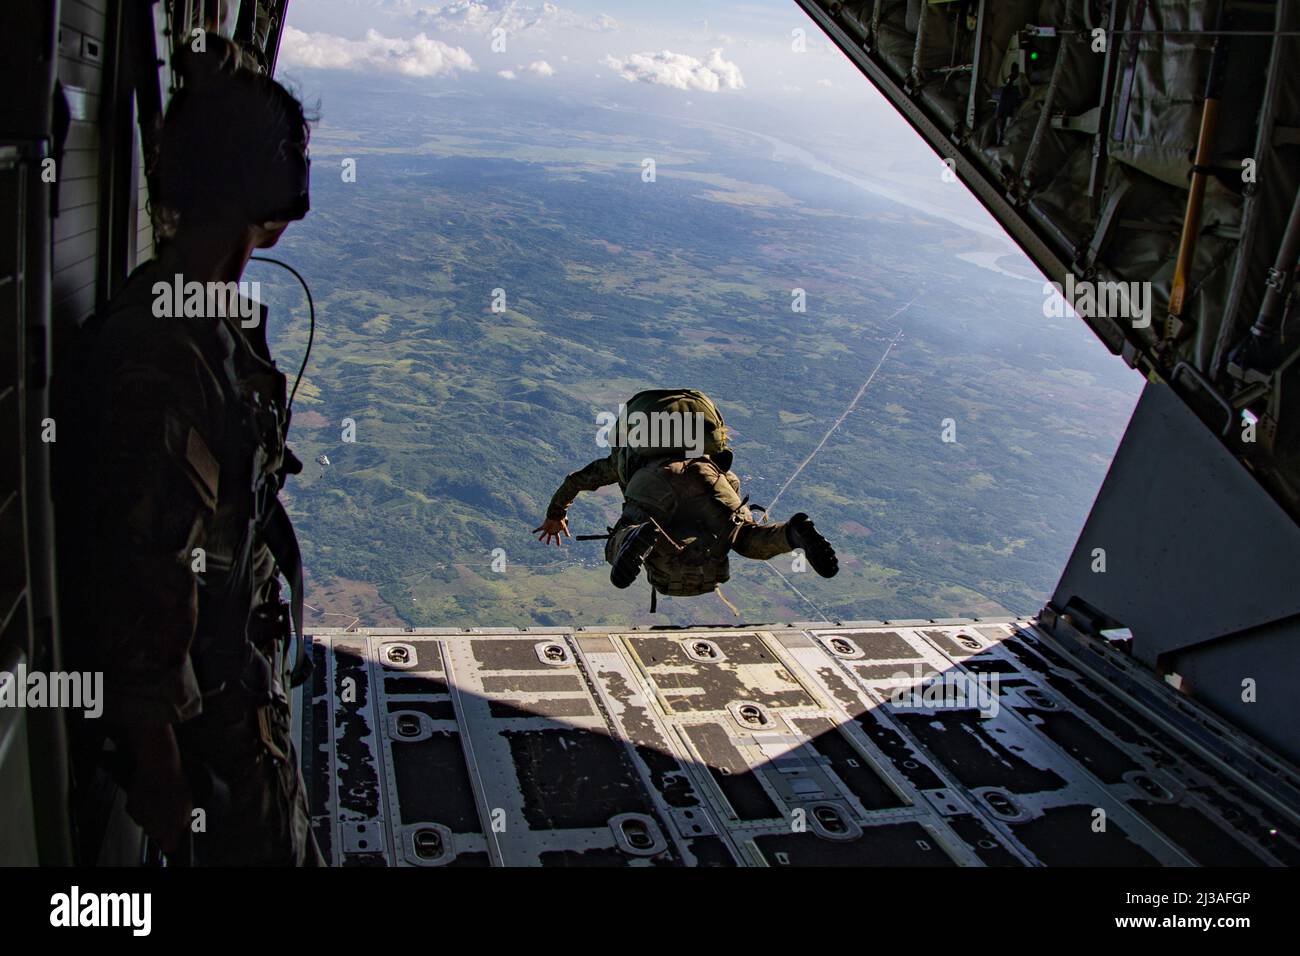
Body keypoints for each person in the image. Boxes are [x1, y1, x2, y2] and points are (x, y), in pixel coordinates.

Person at [52, 41, 322, 865]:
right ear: (273, 196)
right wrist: (162, 768)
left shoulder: (198, 322)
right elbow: (145, 568)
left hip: (231, 705)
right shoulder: (167, 352)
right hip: (210, 743)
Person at [534, 390, 838, 606]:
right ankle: (792, 533)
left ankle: (630, 538)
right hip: (705, 474)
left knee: (628, 534)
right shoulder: (704, 449)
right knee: (744, 536)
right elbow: (728, 477)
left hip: (653, 481)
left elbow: (576, 481)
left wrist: (555, 515)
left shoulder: (625, 459)